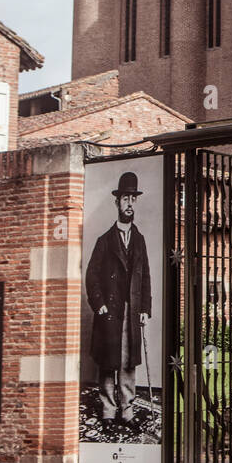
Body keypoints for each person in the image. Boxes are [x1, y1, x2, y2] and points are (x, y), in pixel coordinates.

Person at [84, 170, 153, 425]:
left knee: (127, 362)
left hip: (131, 310)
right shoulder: (104, 241)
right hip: (109, 311)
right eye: (125, 199)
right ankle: (108, 409)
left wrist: (145, 307)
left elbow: (145, 277)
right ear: (117, 202)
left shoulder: (140, 240)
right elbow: (91, 276)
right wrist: (99, 304)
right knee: (108, 361)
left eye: (133, 199)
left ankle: (127, 410)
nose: (129, 204)